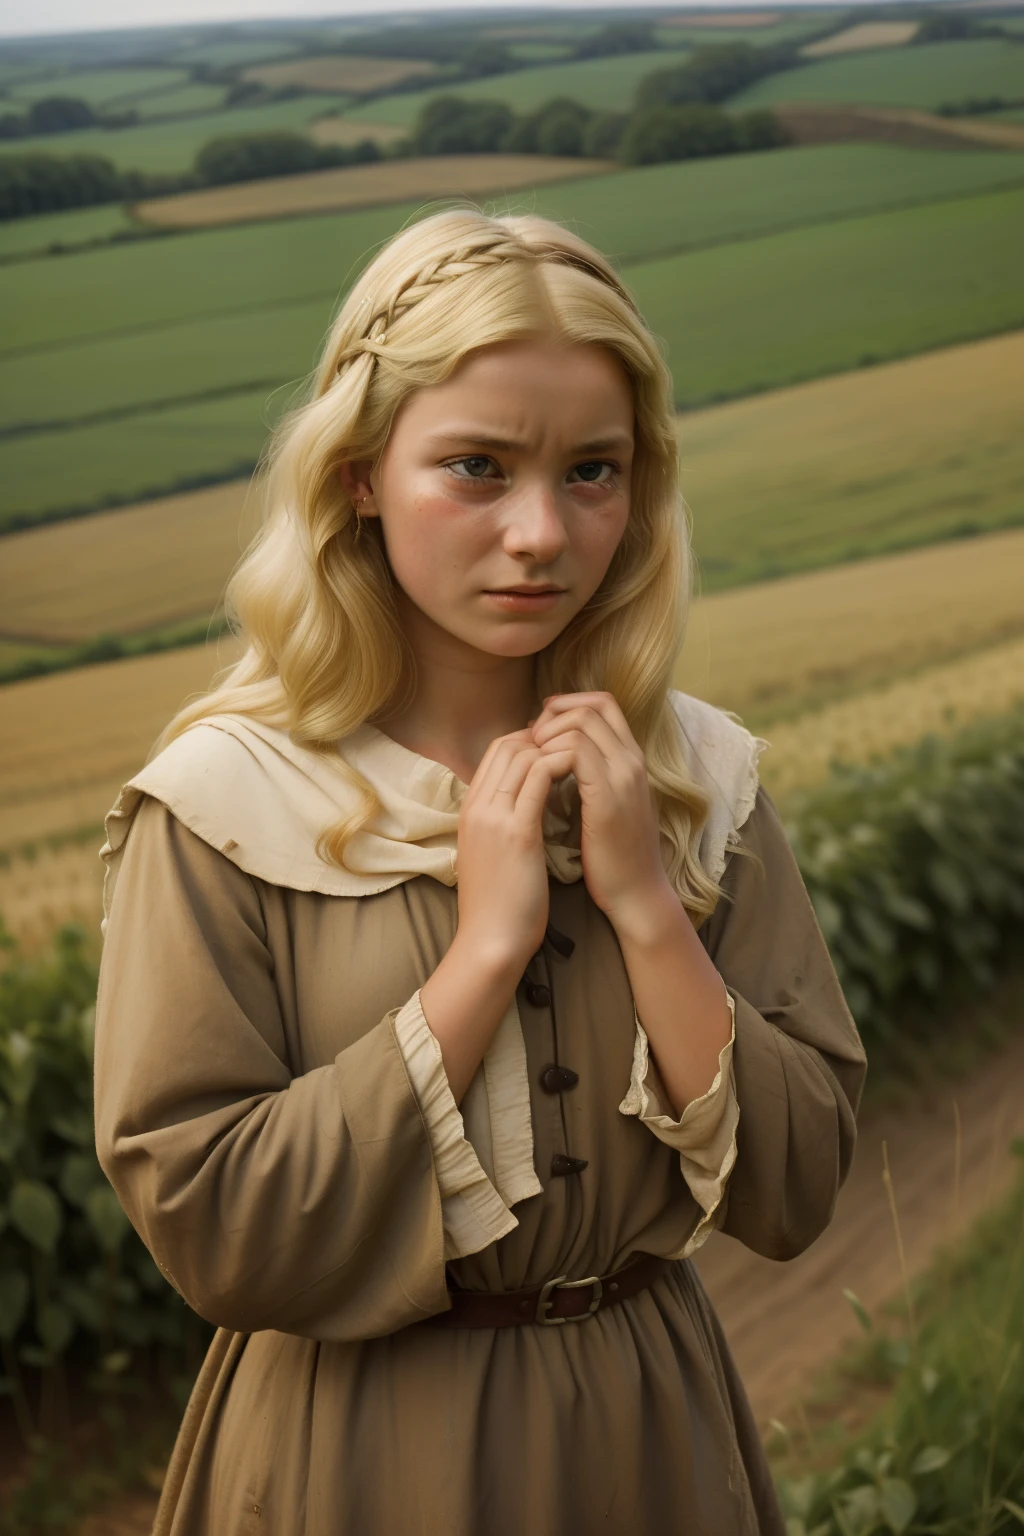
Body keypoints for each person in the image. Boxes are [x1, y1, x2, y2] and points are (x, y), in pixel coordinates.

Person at [93, 208, 867, 1536]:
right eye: (476, 466)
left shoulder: (693, 780)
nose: (541, 535)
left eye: (592, 472)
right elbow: (213, 1226)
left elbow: (797, 1191)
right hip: (351, 1460)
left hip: (652, 1440)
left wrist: (643, 907)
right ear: (357, 473)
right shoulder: (224, 805)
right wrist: (483, 956)